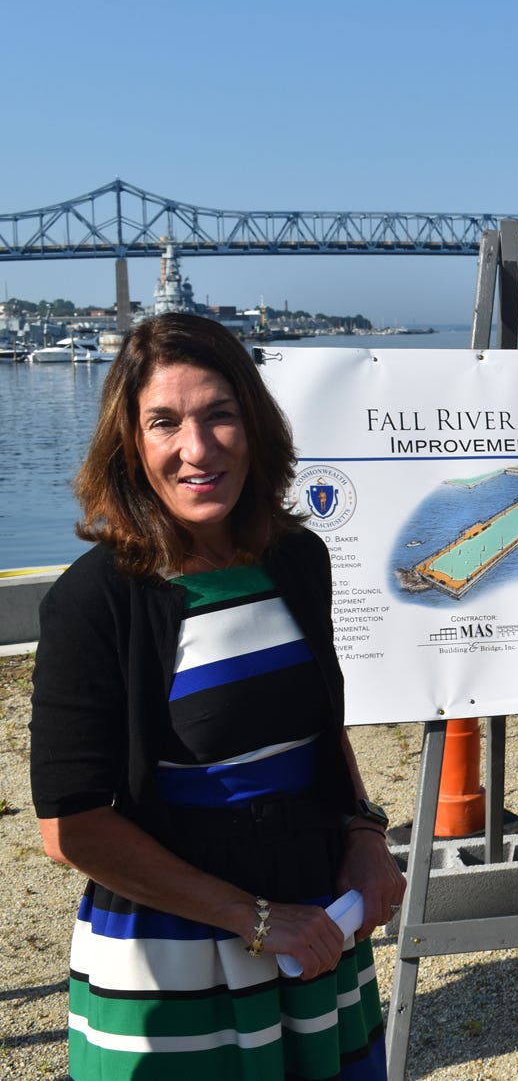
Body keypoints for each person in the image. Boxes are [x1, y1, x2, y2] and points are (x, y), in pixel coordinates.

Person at [29, 312, 405, 1079]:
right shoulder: (95, 600)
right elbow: (72, 827)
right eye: (164, 421)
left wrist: (365, 837)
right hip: (178, 943)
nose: (195, 448)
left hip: (311, 919)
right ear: (129, 443)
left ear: (254, 425)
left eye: (218, 415)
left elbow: (316, 729)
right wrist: (257, 919)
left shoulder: (296, 558)